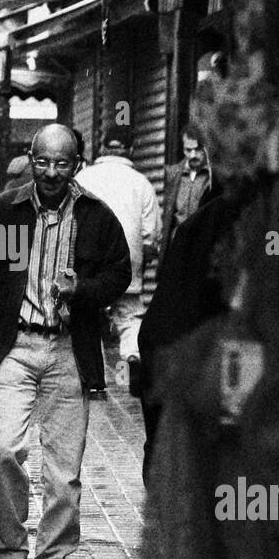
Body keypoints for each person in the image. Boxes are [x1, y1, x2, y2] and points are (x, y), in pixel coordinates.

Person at [0, 123, 131, 559]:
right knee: (4, 448)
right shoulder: (5, 211)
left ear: (77, 165)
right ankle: (10, 550)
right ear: (30, 160)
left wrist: (84, 290)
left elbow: (120, 273)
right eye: (42, 162)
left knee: (63, 469)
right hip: (14, 345)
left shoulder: (96, 216)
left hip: (68, 350)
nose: (51, 172)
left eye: (62, 163)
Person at [75, 123, 160, 392]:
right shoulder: (142, 183)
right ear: (131, 150)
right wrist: (145, 259)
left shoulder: (84, 178)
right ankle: (131, 358)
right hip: (128, 260)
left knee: (87, 314)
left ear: (102, 148)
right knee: (130, 315)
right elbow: (151, 234)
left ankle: (94, 378)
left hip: (88, 259)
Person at [160, 123, 214, 264]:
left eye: (198, 150)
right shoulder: (173, 174)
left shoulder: (213, 177)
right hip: (177, 247)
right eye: (188, 150)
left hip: (201, 249)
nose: (193, 155)